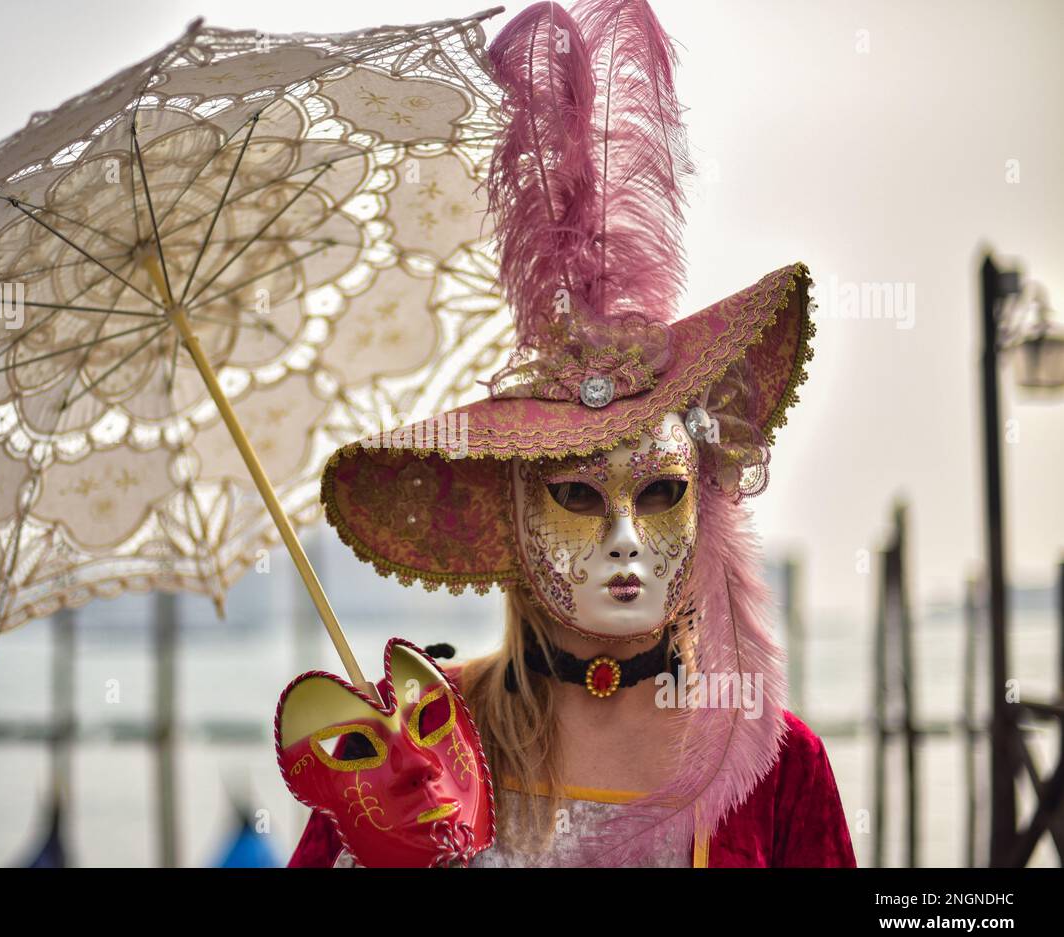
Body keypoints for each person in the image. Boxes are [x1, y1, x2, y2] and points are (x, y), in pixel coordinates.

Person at [280, 0, 856, 867]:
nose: (626, 539)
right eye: (578, 496)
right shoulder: (417, 745)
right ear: (513, 510)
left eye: (661, 491)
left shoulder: (774, 763)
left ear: (704, 500)